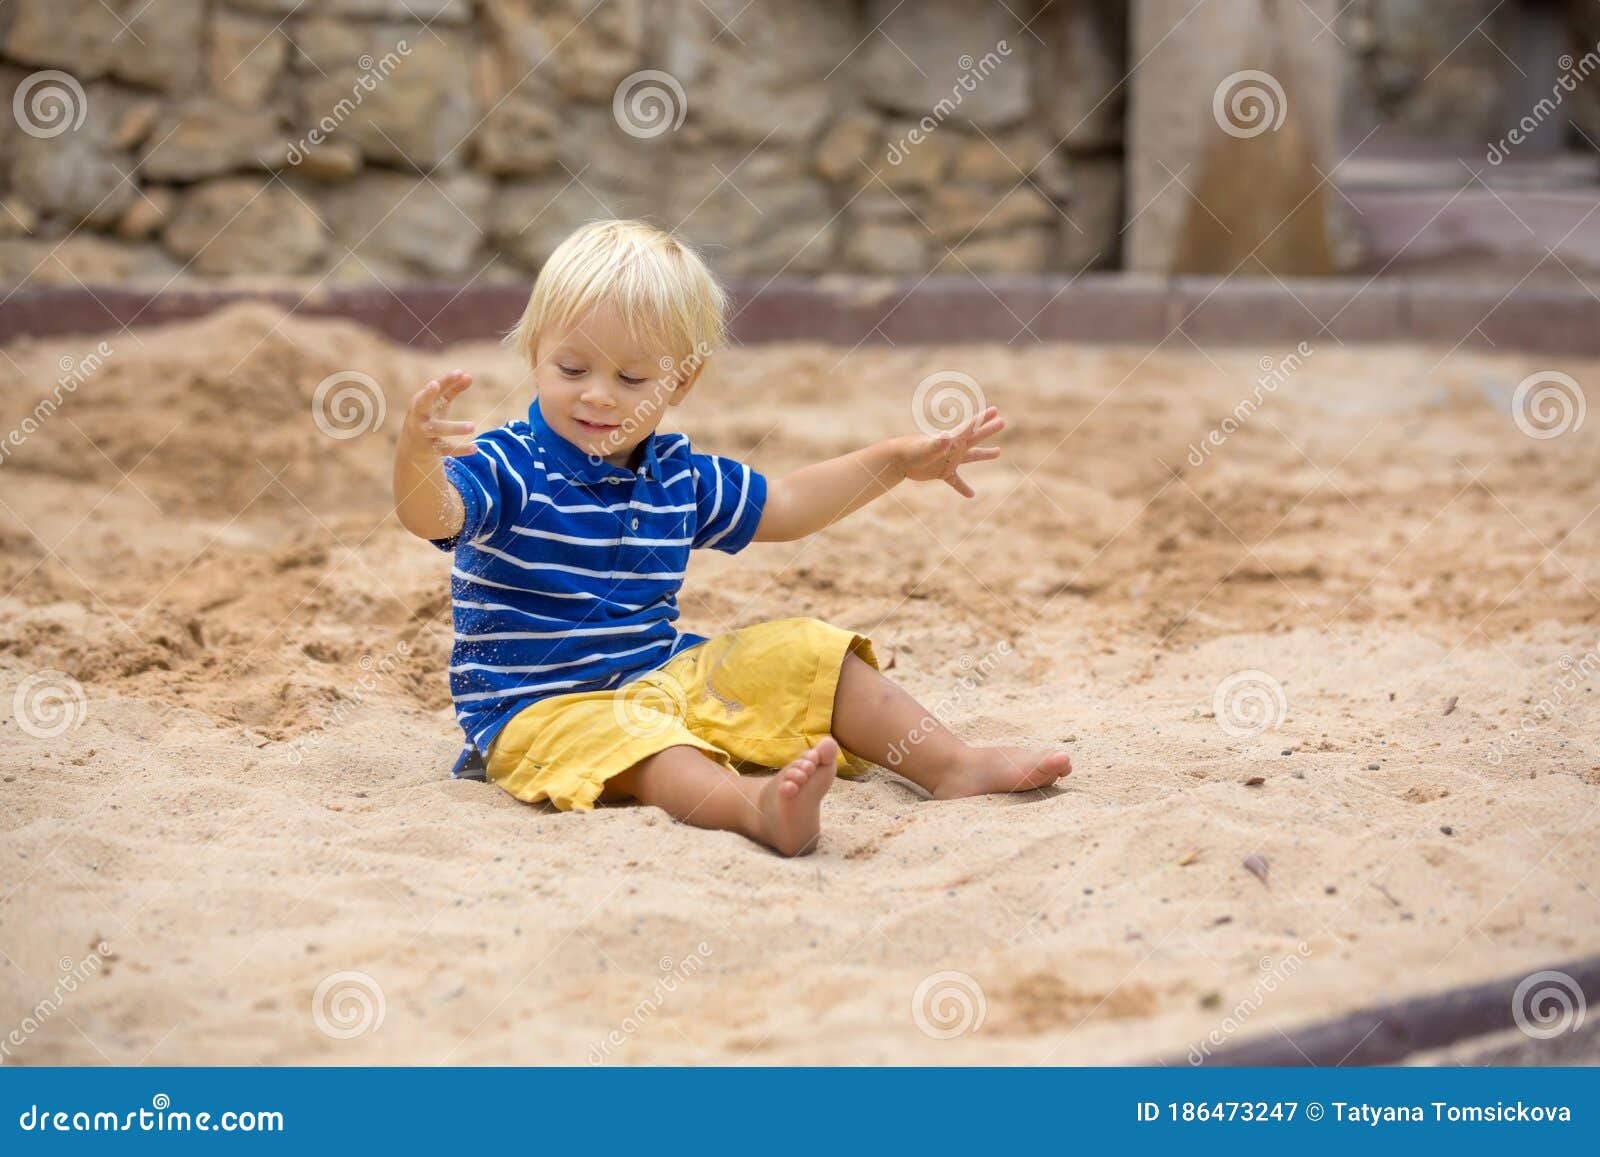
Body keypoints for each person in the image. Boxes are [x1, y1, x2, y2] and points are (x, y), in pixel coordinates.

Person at [393, 219, 1071, 856]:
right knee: (651, 747)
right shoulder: (509, 463)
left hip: (658, 674)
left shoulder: (676, 474)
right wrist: (417, 459)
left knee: (811, 653)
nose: (598, 395)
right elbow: (435, 514)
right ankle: (756, 809)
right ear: (535, 353)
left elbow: (788, 502)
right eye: (571, 370)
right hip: (538, 708)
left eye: (631, 378)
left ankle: (951, 762)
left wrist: (894, 461)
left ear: (681, 381)